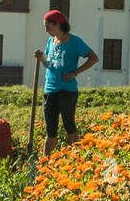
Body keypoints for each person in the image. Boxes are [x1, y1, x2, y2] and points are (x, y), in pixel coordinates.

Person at [33, 9, 97, 157]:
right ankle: (45, 164)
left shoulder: (75, 41)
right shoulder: (51, 41)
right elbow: (49, 64)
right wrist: (41, 57)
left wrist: (75, 72)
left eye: (47, 26)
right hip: (50, 89)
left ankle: (75, 161)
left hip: (67, 90)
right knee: (50, 130)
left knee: (69, 126)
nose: (46, 30)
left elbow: (93, 58)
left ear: (57, 24)